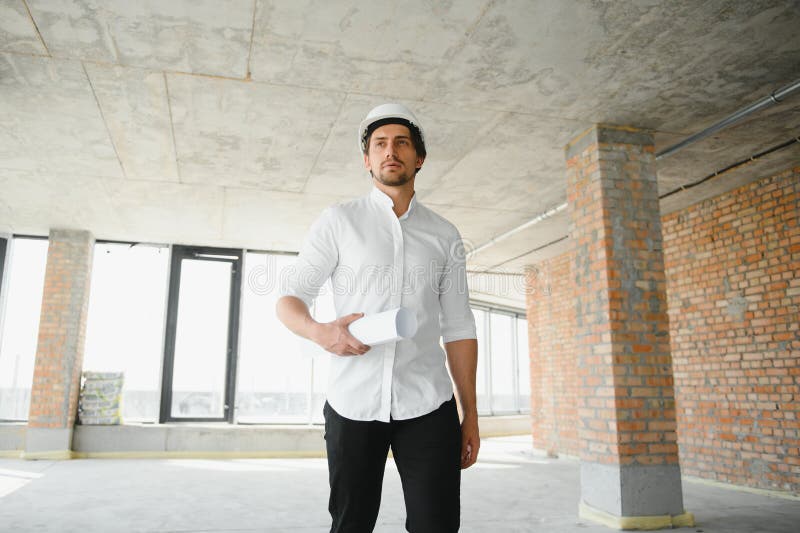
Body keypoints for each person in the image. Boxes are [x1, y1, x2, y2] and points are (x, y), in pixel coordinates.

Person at [276, 103, 479, 533]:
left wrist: (471, 414)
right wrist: (320, 332)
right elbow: (289, 299)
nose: (391, 151)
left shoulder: (445, 235)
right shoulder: (338, 222)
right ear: (366, 160)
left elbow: (459, 328)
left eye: (402, 143)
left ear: (418, 158)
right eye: (380, 144)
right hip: (353, 402)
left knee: (438, 525)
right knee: (351, 525)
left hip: (428, 403)